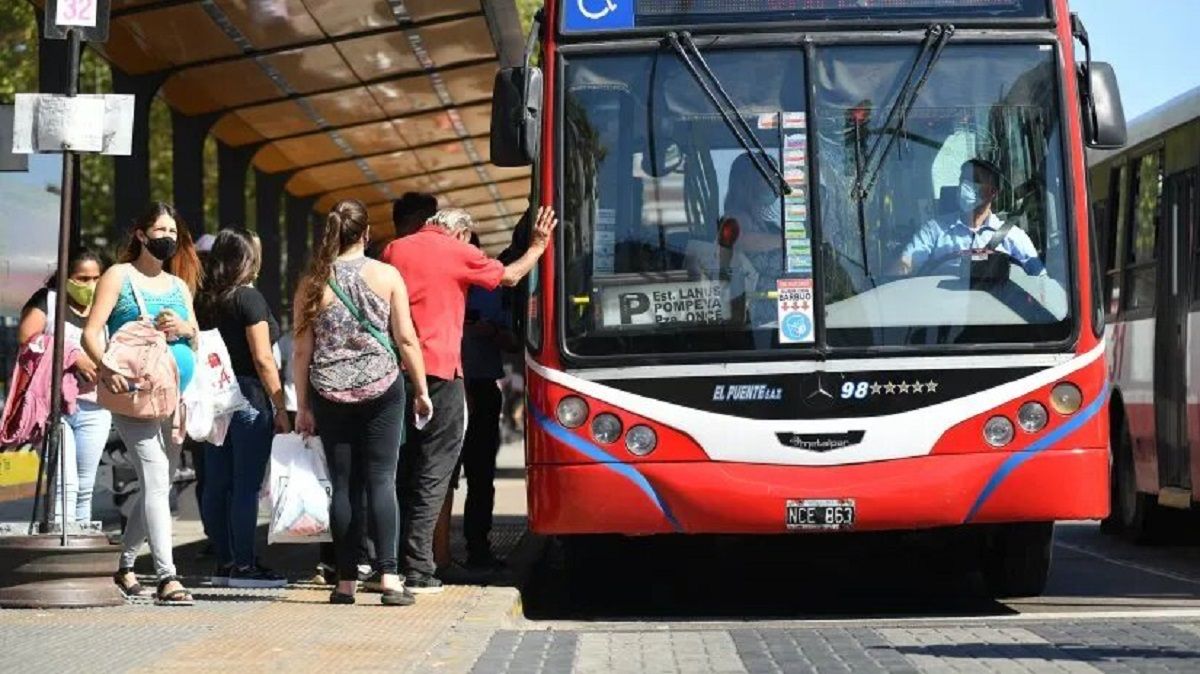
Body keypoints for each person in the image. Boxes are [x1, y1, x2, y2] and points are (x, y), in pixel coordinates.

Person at [381, 205, 557, 593]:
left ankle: (387, 564)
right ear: (461, 234)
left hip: (396, 373)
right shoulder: (458, 251)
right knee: (436, 472)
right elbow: (509, 276)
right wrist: (539, 246)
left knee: (400, 470)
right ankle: (419, 569)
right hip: (441, 372)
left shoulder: (395, 249)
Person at [292, 199, 433, 607]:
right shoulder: (386, 275)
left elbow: (303, 349)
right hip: (382, 387)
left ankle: (345, 583)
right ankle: (389, 577)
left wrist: (302, 404)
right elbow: (406, 338)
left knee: (344, 487)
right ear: (367, 234)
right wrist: (421, 389)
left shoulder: (312, 282)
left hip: (329, 391)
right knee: (381, 480)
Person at [83, 202, 202, 606]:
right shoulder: (119, 276)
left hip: (171, 397)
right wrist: (105, 367)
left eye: (173, 231)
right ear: (140, 234)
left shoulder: (178, 286)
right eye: (160, 230)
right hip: (132, 397)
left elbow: (196, 339)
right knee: (155, 479)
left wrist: (183, 328)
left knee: (161, 483)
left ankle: (126, 565)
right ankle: (168, 577)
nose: (167, 238)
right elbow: (91, 332)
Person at [196, 228, 291, 589]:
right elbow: (263, 358)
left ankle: (225, 560)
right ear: (246, 258)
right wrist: (280, 405)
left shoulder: (204, 300)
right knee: (245, 486)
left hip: (215, 398)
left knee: (217, 483)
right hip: (248, 395)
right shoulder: (248, 298)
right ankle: (245, 566)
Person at [17, 250, 110, 525]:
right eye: (82, 279)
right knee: (64, 482)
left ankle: (80, 541)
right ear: (66, 278)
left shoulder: (104, 306)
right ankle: (60, 541)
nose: (90, 285)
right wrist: (71, 354)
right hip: (52, 406)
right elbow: (27, 340)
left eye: (96, 278)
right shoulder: (48, 301)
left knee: (85, 485)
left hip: (95, 406)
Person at [457, 232, 519, 569]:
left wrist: (491, 332)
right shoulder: (439, 284)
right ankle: (431, 552)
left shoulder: (493, 290)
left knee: (480, 475)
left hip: (482, 387)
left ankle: (478, 546)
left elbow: (514, 341)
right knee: (439, 476)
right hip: (447, 386)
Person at [896, 158, 1045, 276]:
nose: (964, 186)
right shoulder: (934, 230)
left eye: (975, 180)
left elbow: (1040, 281)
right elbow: (907, 263)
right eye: (963, 179)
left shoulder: (1013, 236)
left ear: (993, 192)